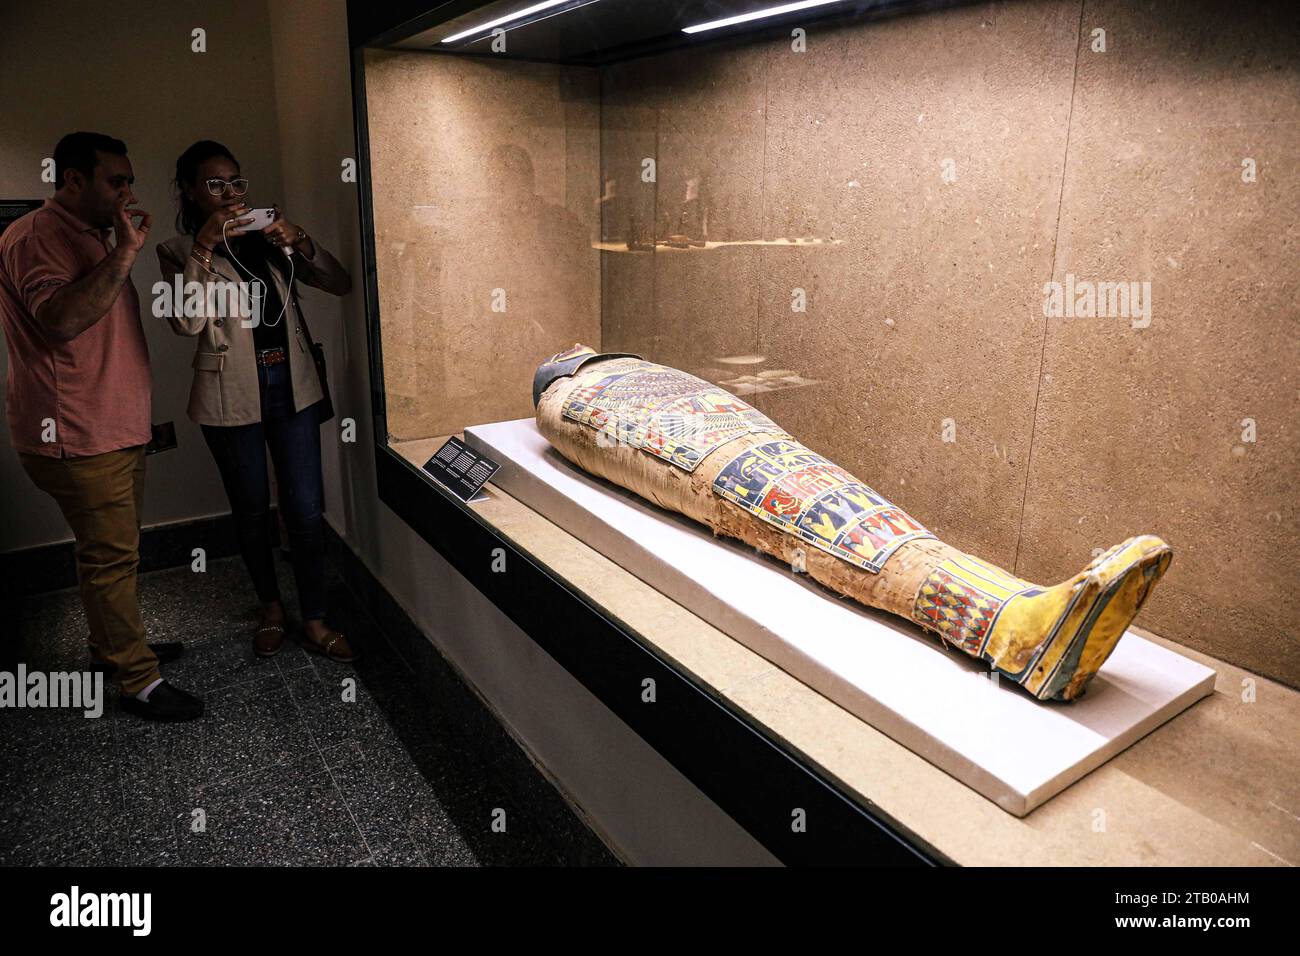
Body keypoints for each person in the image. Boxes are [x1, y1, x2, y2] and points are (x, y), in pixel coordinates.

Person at [0, 132, 203, 721]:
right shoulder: (39, 237)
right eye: (117, 181)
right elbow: (60, 320)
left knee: (106, 554)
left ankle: (113, 648)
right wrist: (123, 253)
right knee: (113, 559)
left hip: (105, 428)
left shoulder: (90, 234)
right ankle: (137, 679)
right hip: (79, 433)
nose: (128, 192)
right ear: (73, 180)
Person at [157, 140, 357, 662]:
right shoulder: (178, 251)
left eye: (236, 182)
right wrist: (203, 245)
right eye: (215, 184)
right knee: (250, 511)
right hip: (229, 393)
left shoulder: (271, 240)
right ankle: (272, 609)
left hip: (293, 387)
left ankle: (313, 617)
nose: (229, 194)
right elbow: (186, 323)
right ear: (190, 191)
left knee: (306, 511)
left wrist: (302, 239)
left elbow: (340, 283)